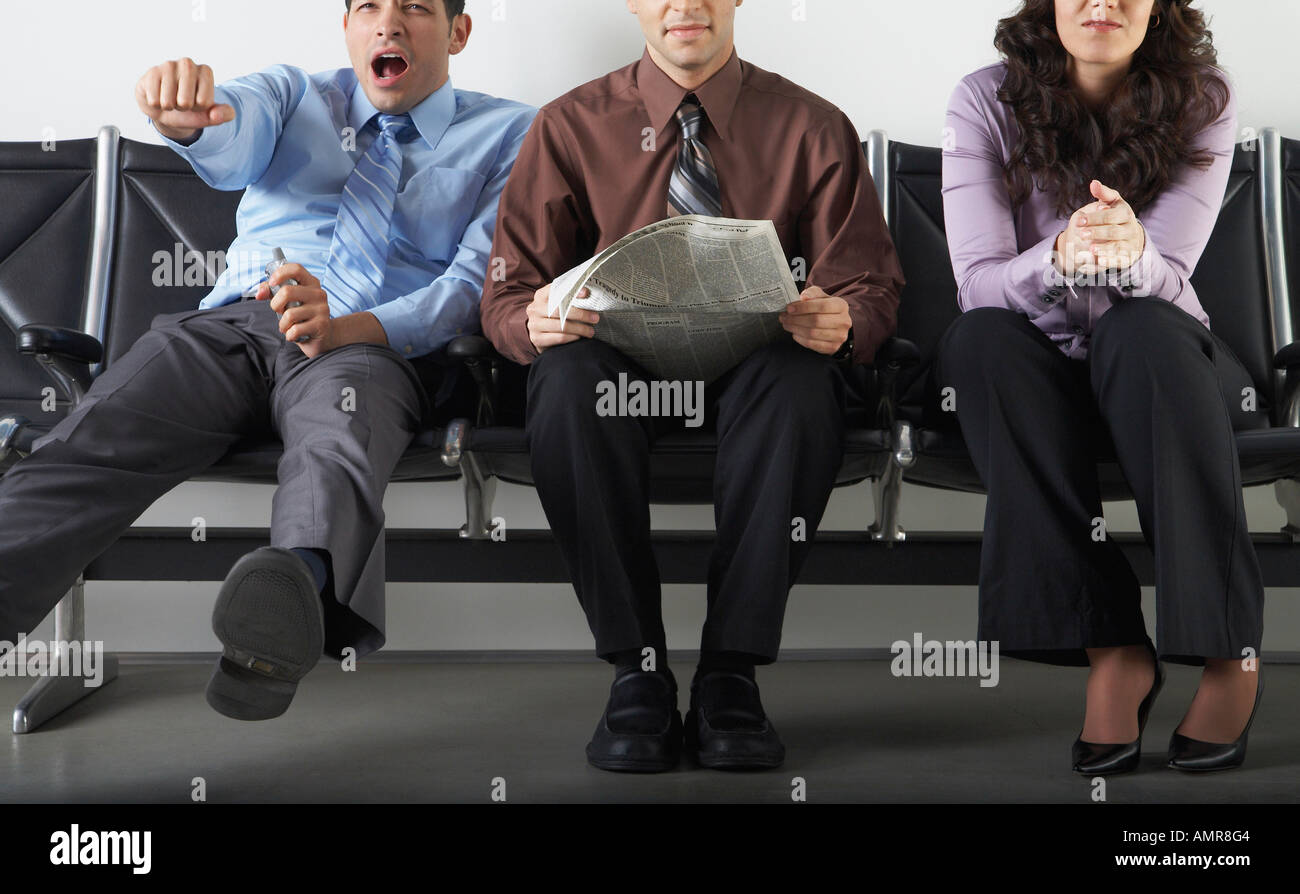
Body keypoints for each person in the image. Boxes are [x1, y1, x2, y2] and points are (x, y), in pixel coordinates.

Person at [0, 0, 535, 721]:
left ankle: (284, 606)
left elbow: (476, 283)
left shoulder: (514, 132)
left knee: (334, 445)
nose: (389, 24)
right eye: (368, 7)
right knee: (97, 434)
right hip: (234, 325)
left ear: (459, 31)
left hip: (371, 346)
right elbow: (231, 130)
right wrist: (186, 120)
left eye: (415, 7)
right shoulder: (292, 94)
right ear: (346, 27)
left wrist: (351, 328)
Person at [480, 0, 903, 772]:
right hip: (619, 368)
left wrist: (841, 318)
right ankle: (634, 670)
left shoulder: (812, 126)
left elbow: (869, 288)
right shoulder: (568, 125)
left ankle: (729, 672)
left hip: (760, 366)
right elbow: (509, 292)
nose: (685, 4)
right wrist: (532, 322)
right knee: (567, 380)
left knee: (802, 380)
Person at [934, 0, 1263, 774]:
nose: (1103, 2)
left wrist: (1131, 249)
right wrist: (1058, 259)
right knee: (978, 341)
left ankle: (1228, 654)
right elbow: (977, 287)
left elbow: (1171, 280)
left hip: (1167, 368)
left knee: (1136, 326)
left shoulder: (1203, 97)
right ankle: (1113, 646)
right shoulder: (982, 100)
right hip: (1043, 380)